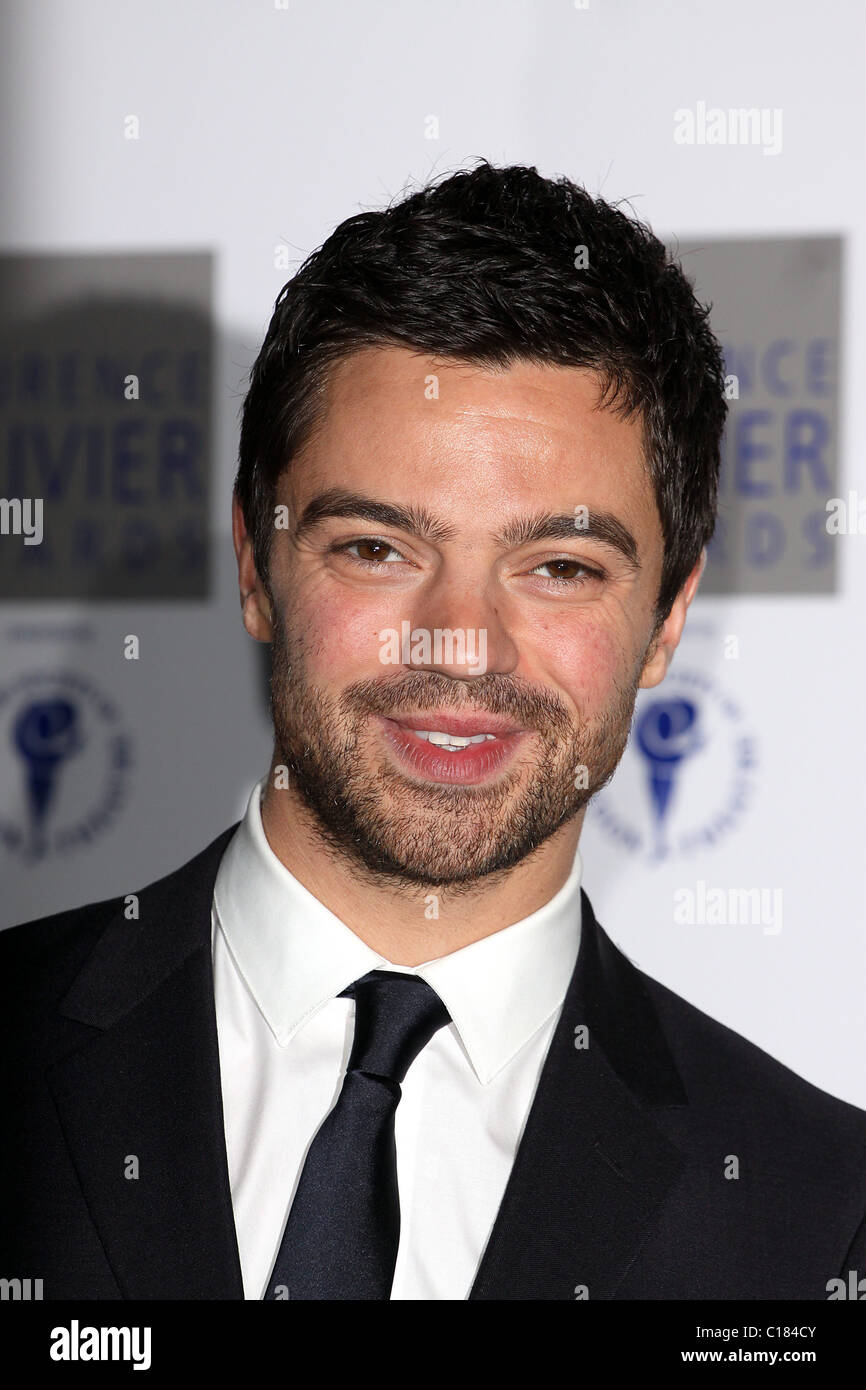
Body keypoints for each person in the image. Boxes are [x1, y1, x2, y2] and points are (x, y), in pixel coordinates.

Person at [2, 161, 864, 1301]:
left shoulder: (815, 1217)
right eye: (376, 548)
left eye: (558, 567)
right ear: (258, 566)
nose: (459, 645)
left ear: (665, 622)